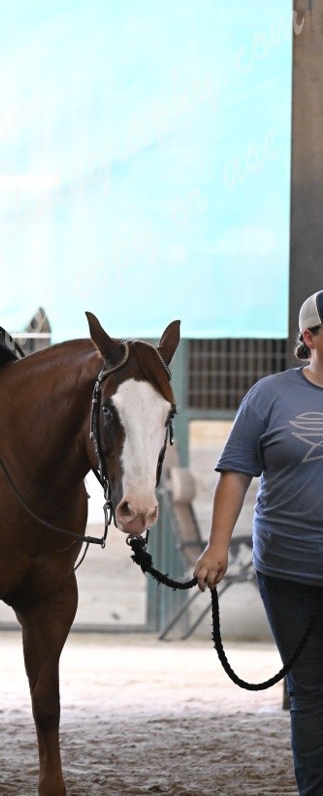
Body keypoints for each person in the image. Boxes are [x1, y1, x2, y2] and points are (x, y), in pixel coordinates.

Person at [194, 289, 323, 796]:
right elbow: (236, 472)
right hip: (289, 569)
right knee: (311, 690)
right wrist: (217, 547)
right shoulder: (270, 395)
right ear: (309, 337)